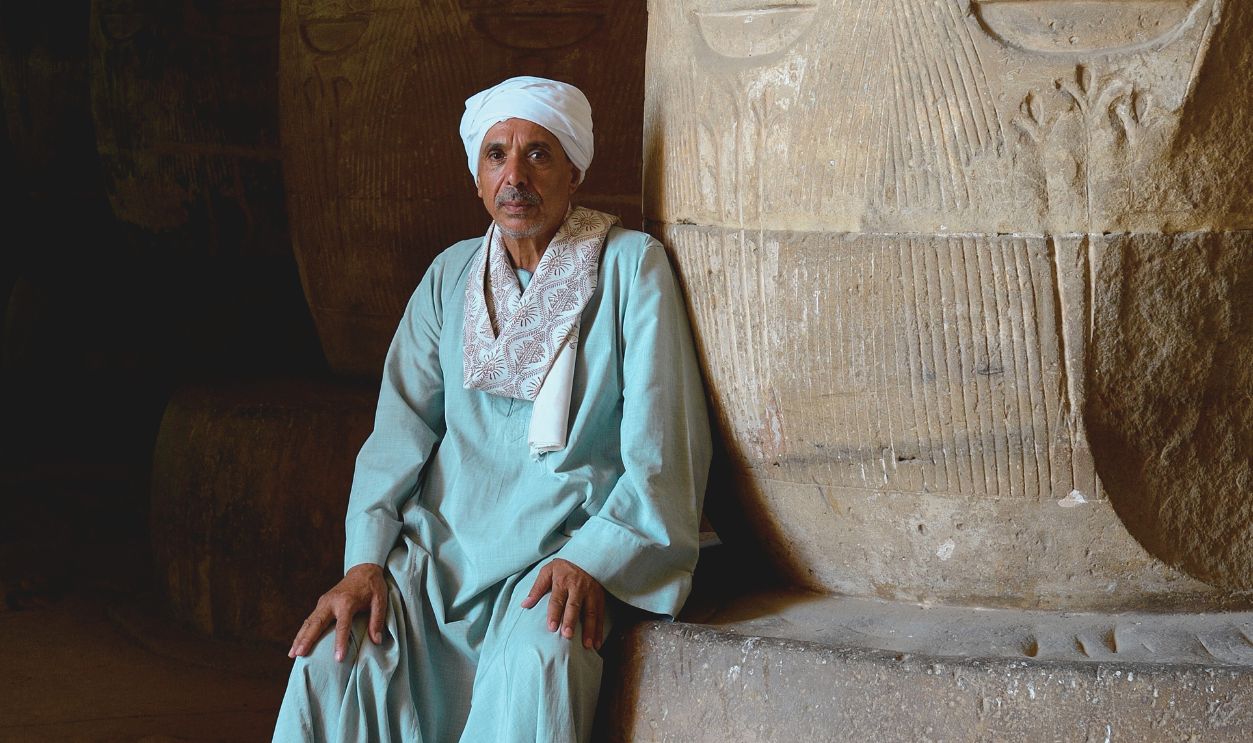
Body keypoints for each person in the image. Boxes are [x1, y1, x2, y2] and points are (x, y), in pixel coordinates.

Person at [272, 76, 711, 742]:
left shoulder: (630, 267)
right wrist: (364, 561)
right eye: (496, 154)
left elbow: (662, 445)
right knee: (334, 660)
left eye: (538, 153)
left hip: (559, 554)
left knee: (540, 660)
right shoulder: (449, 275)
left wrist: (594, 557)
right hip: (436, 559)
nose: (515, 175)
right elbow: (399, 431)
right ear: (478, 178)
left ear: (575, 171)